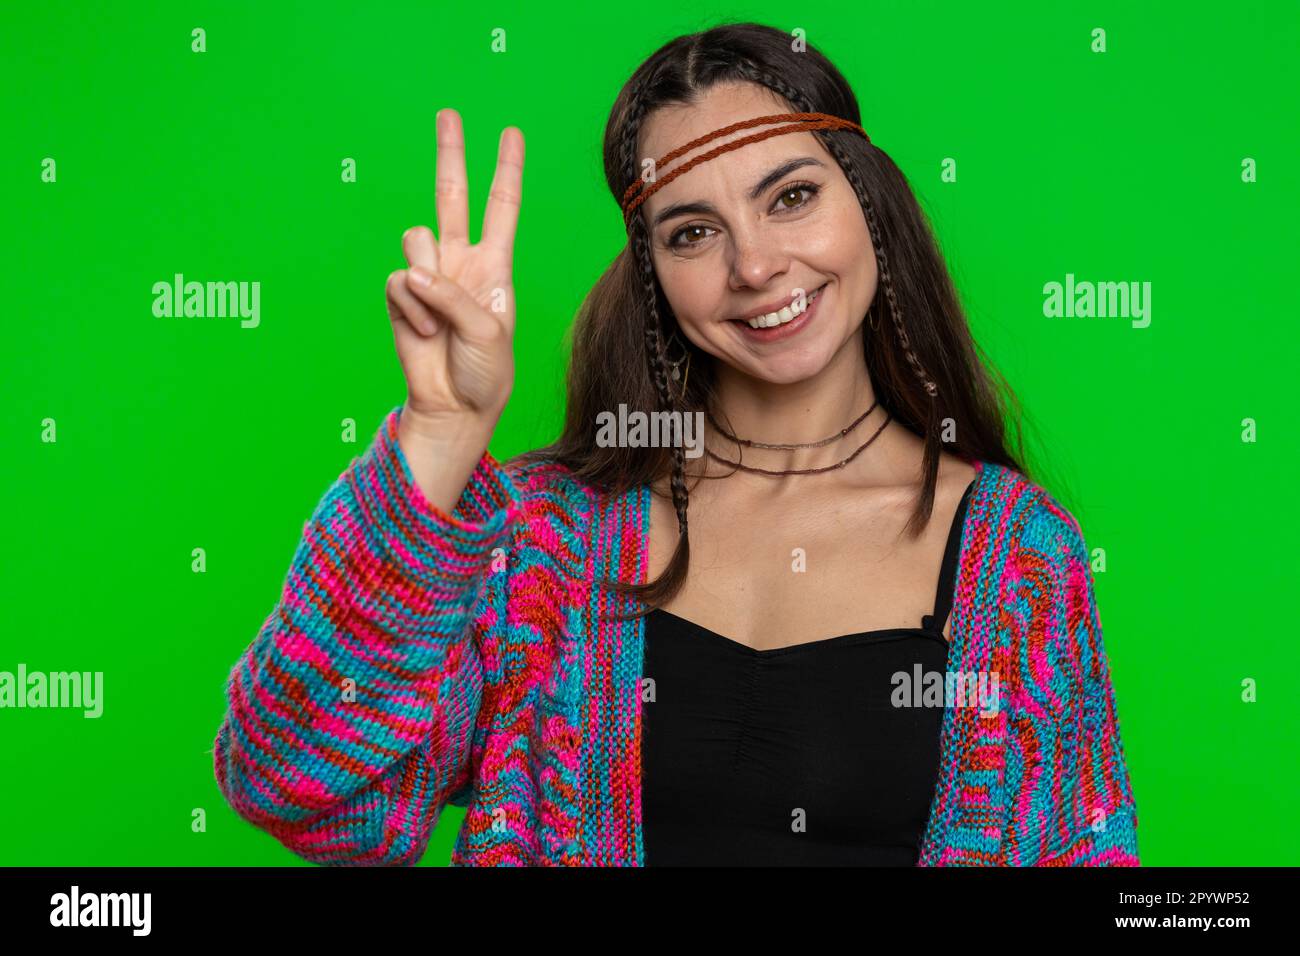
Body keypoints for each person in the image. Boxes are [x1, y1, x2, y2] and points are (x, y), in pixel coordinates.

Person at [213, 21, 1139, 866]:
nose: (755, 265)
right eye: (693, 232)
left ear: (868, 199)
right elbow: (297, 789)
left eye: (792, 196)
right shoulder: (546, 548)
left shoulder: (1020, 562)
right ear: (652, 272)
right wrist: (440, 436)